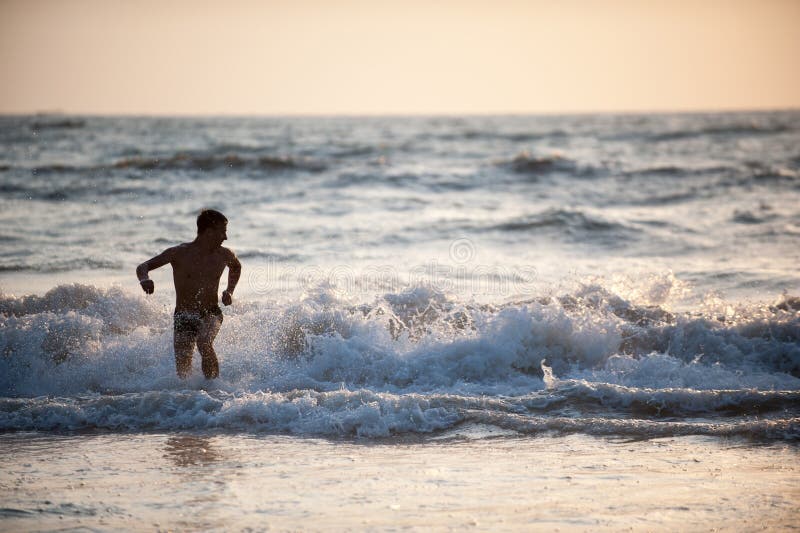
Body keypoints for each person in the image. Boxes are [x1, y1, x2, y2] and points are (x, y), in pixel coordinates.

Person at [136, 209, 241, 379]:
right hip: (183, 315)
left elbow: (236, 267)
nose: (225, 237)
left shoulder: (224, 255)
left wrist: (229, 290)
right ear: (209, 231)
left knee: (204, 342)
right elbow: (143, 267)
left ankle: (213, 390)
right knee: (183, 373)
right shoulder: (179, 253)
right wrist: (144, 280)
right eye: (223, 231)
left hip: (211, 313)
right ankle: (190, 401)